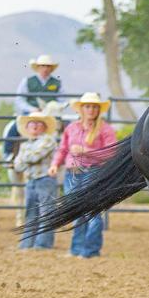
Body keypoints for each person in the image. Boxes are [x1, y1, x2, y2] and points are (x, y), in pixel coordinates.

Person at [50, 92, 117, 257]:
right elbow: (63, 149)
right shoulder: (72, 128)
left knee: (91, 212)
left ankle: (90, 250)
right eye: (88, 106)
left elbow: (110, 153)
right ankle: (77, 249)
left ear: (99, 109)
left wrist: (86, 152)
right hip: (72, 172)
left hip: (93, 172)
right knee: (76, 210)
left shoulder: (105, 129)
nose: (91, 110)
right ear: (81, 109)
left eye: (95, 107)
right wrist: (54, 164)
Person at [13, 102, 63, 250]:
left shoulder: (48, 140)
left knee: (46, 212)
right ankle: (27, 243)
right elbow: (18, 165)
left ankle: (42, 244)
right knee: (31, 212)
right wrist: (25, 159)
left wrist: (24, 159)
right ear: (27, 128)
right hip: (32, 181)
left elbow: (32, 158)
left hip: (45, 180)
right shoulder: (25, 144)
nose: (35, 126)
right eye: (32, 123)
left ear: (44, 127)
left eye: (38, 123)